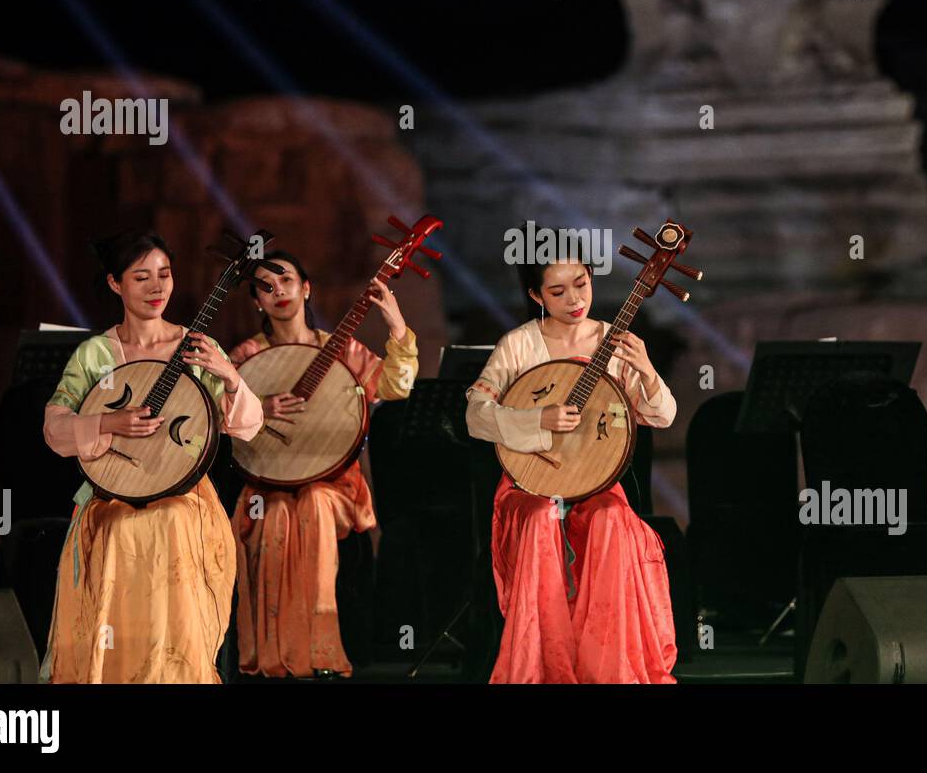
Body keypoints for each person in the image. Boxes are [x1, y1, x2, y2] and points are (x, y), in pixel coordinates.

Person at [41, 230, 263, 683]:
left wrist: (230, 377)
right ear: (115, 284)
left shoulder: (199, 348)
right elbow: (54, 429)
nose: (157, 286)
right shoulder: (96, 354)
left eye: (164, 274)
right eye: (141, 277)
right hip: (112, 496)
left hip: (185, 499)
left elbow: (248, 426)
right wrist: (107, 423)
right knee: (123, 528)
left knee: (173, 522)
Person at [465, 256, 678, 683]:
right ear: (535, 295)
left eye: (581, 285)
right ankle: (543, 667)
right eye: (557, 292)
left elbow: (663, 416)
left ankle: (608, 668)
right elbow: (476, 415)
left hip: (595, 482)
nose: (574, 299)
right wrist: (536, 419)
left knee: (613, 520)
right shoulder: (519, 345)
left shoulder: (615, 342)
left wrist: (648, 369)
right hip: (530, 483)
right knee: (542, 518)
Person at [229, 251, 418, 678]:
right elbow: (210, 411)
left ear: (306, 287)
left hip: (335, 485)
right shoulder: (244, 356)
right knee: (275, 514)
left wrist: (396, 325)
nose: (278, 291)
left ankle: (321, 652)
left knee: (314, 503)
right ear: (256, 301)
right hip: (266, 487)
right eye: (265, 285)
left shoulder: (341, 348)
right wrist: (258, 406)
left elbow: (397, 386)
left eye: (287, 281)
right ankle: (277, 659)